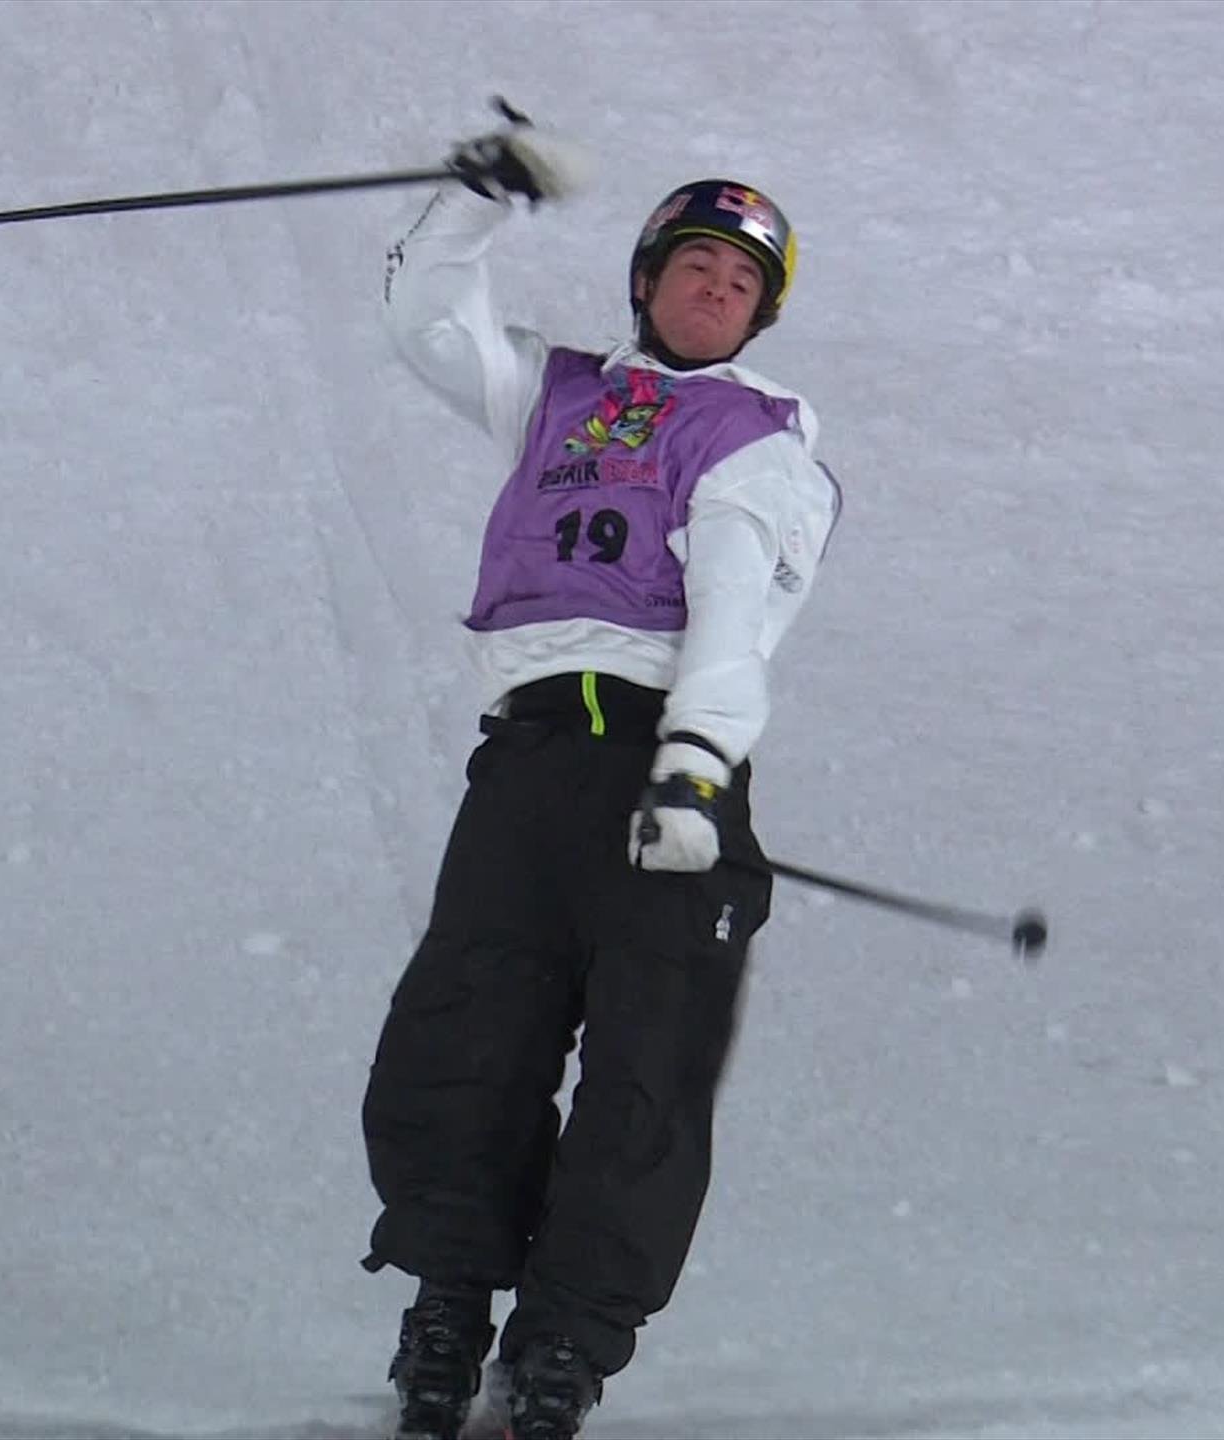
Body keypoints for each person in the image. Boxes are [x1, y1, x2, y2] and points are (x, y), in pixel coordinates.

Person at [358, 118, 842, 1440]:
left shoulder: (757, 439)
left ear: (759, 316)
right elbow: (427, 326)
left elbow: (735, 615)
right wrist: (473, 205)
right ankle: (450, 1310)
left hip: (662, 763)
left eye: (741, 284)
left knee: (645, 1070)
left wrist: (692, 771)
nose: (713, 291)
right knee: (468, 1038)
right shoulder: (561, 393)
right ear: (648, 279)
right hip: (527, 761)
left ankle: (564, 1348)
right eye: (695, 266)